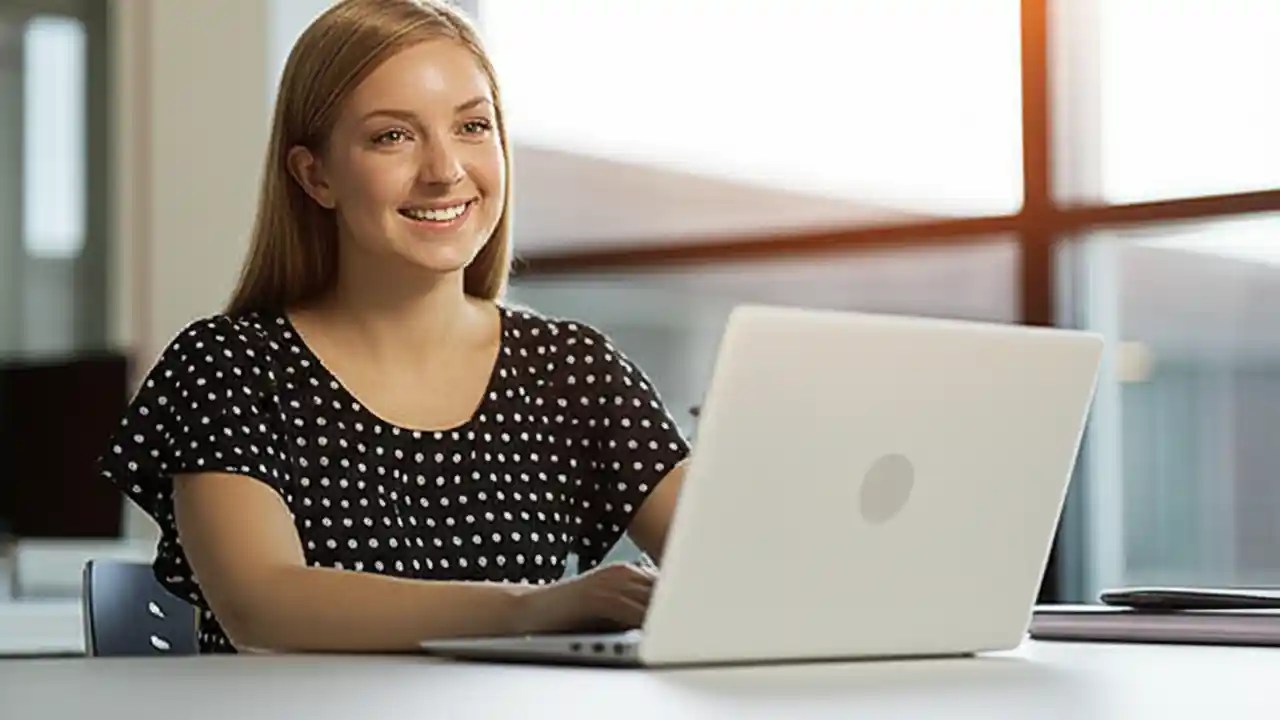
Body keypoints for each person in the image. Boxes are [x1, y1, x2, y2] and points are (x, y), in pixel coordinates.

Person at [98, 0, 690, 654]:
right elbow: (262, 605)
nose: (445, 171)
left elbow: (733, 565)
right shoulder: (229, 366)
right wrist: (533, 607)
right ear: (315, 176)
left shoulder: (571, 369)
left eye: (472, 126)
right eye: (392, 137)